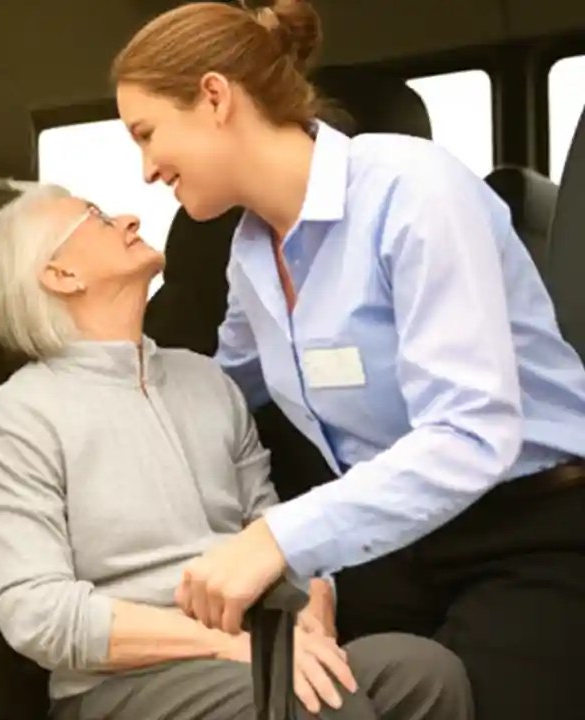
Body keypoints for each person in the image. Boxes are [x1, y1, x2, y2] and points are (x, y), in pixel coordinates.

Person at [111, 1, 585, 718]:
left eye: (147, 134)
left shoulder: (410, 190)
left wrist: (280, 539)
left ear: (214, 97)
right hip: (388, 543)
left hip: (527, 531)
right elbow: (225, 389)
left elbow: (472, 433)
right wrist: (87, 381)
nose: (147, 170)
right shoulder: (249, 253)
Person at [0, 182, 473, 720]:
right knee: (311, 704)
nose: (130, 219)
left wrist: (315, 608)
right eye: (96, 217)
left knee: (425, 674)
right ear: (60, 275)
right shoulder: (18, 415)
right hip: (123, 684)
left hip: (250, 651)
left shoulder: (205, 379)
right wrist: (232, 648)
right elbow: (35, 611)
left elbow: (273, 525)